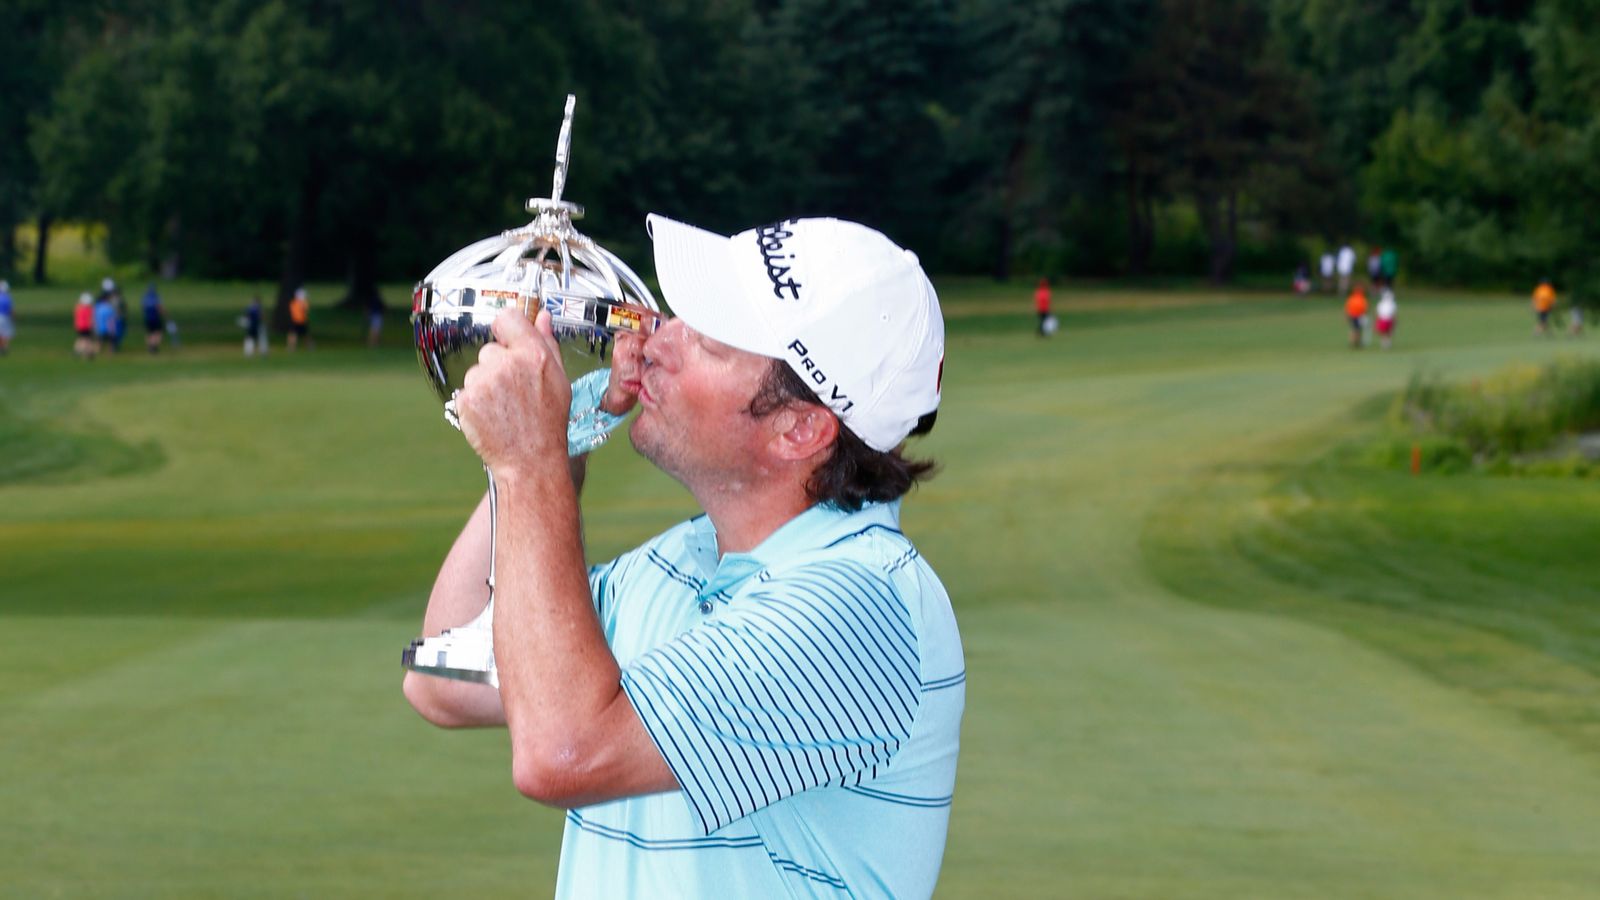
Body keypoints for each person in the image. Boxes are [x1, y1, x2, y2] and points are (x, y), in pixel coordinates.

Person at [403, 214, 964, 899]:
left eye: (708, 340)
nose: (650, 340)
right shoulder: (682, 558)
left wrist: (531, 463)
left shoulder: (859, 608)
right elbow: (444, 675)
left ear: (800, 430)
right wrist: (567, 433)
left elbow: (562, 751)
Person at [141, 283, 166, 353]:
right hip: (156, 318)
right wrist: (165, 314)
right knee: (158, 332)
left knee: (150, 333)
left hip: (147, 318)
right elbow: (159, 307)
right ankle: (154, 346)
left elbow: (143, 308)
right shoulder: (156, 297)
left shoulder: (145, 297)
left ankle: (150, 345)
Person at [73, 293, 97, 359]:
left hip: (79, 326)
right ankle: (87, 354)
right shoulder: (89, 309)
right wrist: (93, 326)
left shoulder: (78, 308)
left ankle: (77, 351)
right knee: (87, 340)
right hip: (86, 326)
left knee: (81, 338)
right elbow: (91, 319)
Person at [1345, 283, 1368, 349]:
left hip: (1357, 315)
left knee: (1356, 329)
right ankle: (1354, 342)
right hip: (1355, 315)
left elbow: (1348, 307)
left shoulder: (1355, 298)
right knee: (1356, 329)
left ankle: (1355, 342)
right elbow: (1348, 307)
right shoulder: (1357, 298)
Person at [1376, 285, 1397, 350]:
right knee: (1387, 332)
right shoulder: (1392, 304)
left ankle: (1385, 343)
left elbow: (1378, 313)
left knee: (1384, 332)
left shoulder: (1381, 303)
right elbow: (1393, 313)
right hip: (1388, 319)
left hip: (1383, 319)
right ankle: (1387, 342)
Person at [0, 280, 13, 356]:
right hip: (5, 317)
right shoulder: (7, 298)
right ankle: (4, 347)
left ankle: (1, 347)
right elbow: (10, 310)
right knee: (6, 333)